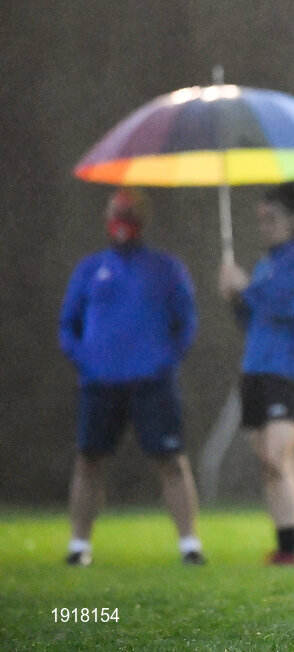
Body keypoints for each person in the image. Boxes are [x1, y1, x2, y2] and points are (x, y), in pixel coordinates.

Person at [58, 188, 205, 566]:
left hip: (152, 382)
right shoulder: (91, 269)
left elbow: (186, 322)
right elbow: (67, 324)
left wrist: (165, 360)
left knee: (171, 459)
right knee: (88, 460)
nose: (121, 217)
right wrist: (86, 359)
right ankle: (79, 546)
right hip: (99, 383)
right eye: (116, 210)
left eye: (128, 210)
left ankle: (189, 544)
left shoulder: (166, 267)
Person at [218, 183, 294, 566]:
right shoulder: (265, 264)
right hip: (255, 370)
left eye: (272, 218)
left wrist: (248, 288)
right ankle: (283, 545)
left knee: (278, 455)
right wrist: (234, 299)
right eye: (261, 219)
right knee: (265, 459)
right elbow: (252, 320)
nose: (265, 226)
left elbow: (287, 305)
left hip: (286, 369)